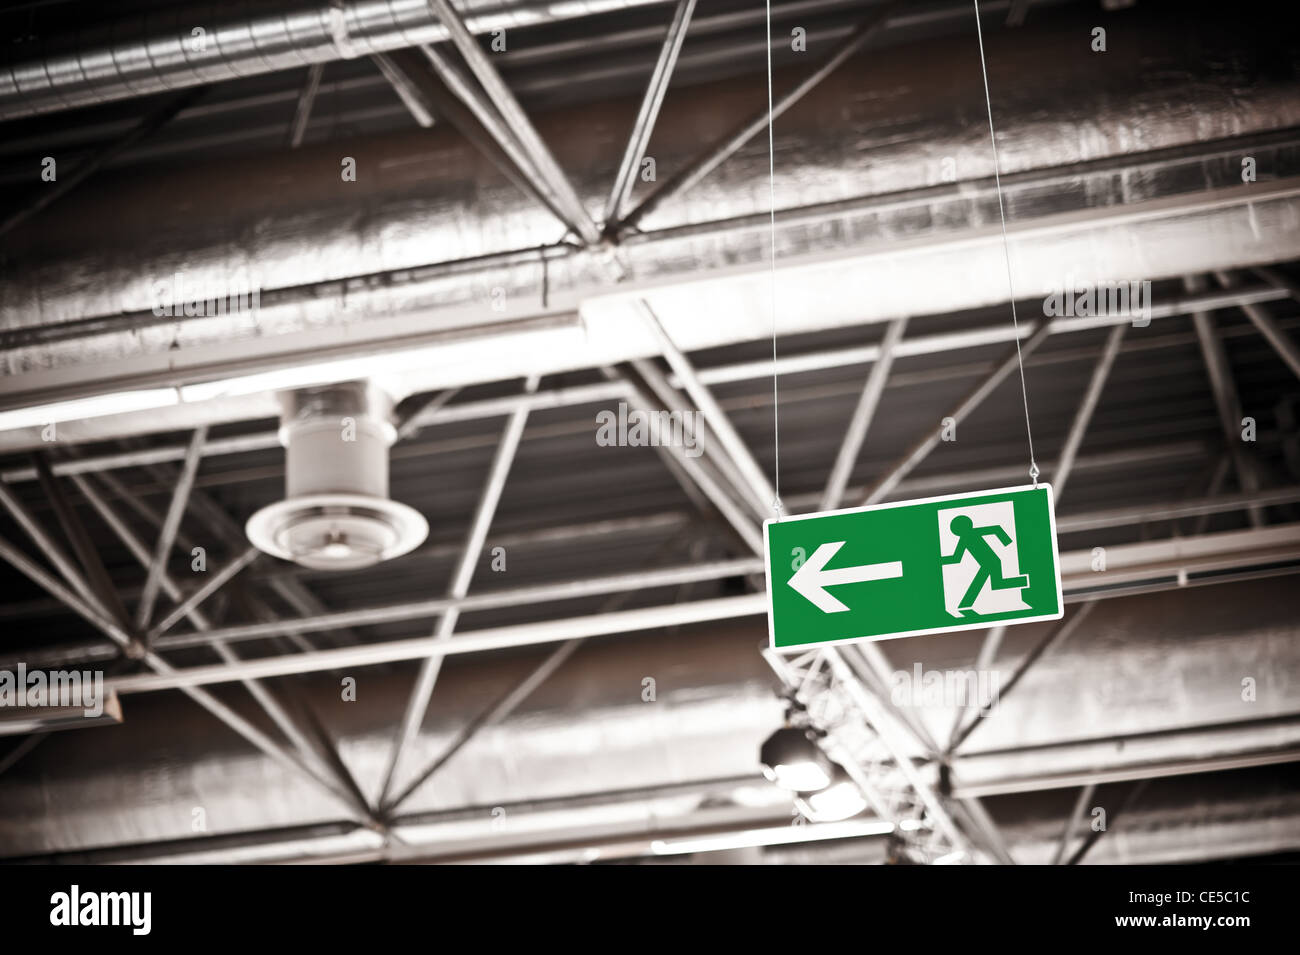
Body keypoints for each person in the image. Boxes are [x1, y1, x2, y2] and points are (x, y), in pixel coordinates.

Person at [941, 514, 1029, 614]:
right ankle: (1024, 581)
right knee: (997, 584)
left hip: (991, 562)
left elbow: (996, 529)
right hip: (990, 562)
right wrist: (940, 560)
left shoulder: (971, 534)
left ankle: (965, 605)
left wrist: (1006, 541)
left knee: (986, 582)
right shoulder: (964, 539)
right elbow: (956, 558)